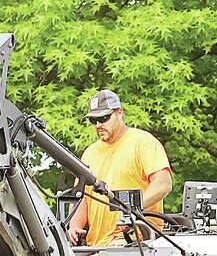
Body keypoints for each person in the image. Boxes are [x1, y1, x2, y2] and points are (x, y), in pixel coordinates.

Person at [65, 89, 172, 247]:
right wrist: (74, 226)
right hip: (97, 246)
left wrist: (133, 211)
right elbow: (82, 198)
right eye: (93, 121)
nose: (99, 125)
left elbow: (163, 184)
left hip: (135, 242)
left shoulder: (143, 142)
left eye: (104, 118)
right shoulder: (89, 153)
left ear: (119, 113)